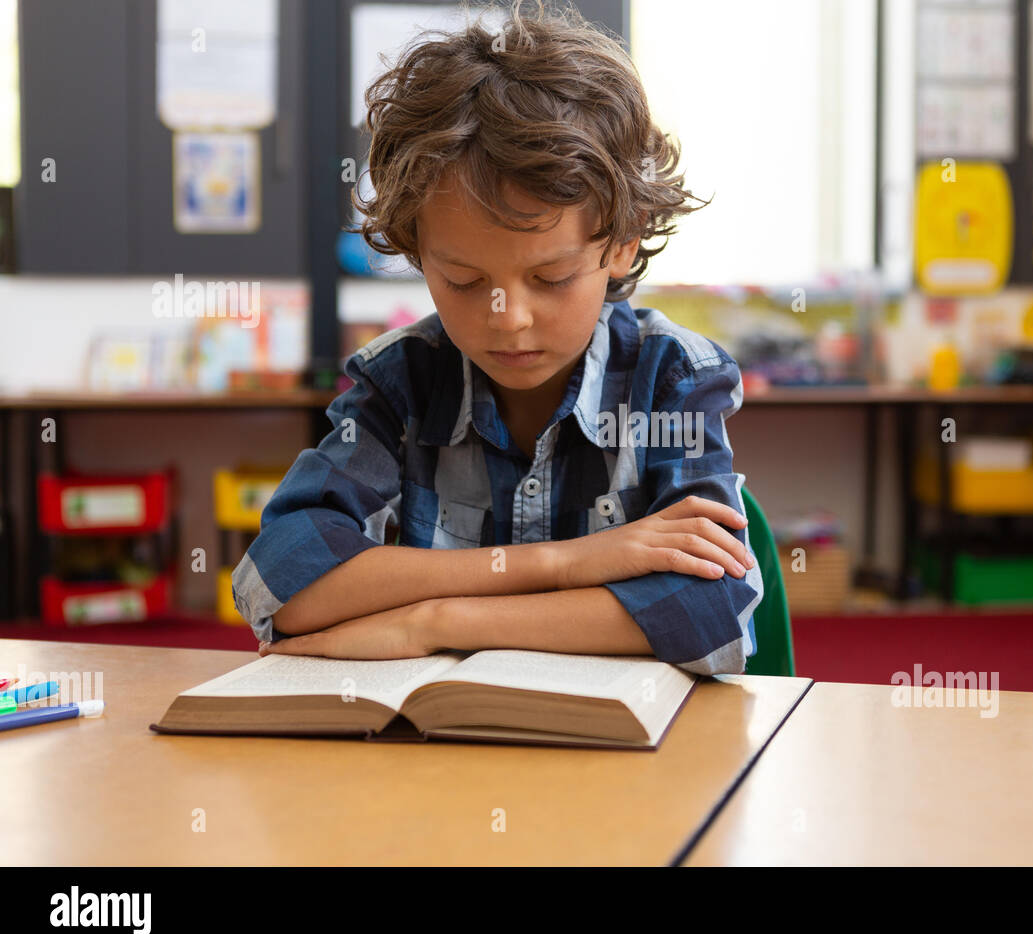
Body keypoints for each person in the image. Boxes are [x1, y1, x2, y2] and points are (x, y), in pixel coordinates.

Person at [232, 0, 762, 675]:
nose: (508, 317)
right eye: (461, 279)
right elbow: (284, 580)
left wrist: (434, 622)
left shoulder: (675, 378)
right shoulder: (401, 383)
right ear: (417, 253)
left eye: (552, 277)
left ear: (624, 243)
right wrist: (571, 564)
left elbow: (708, 616)